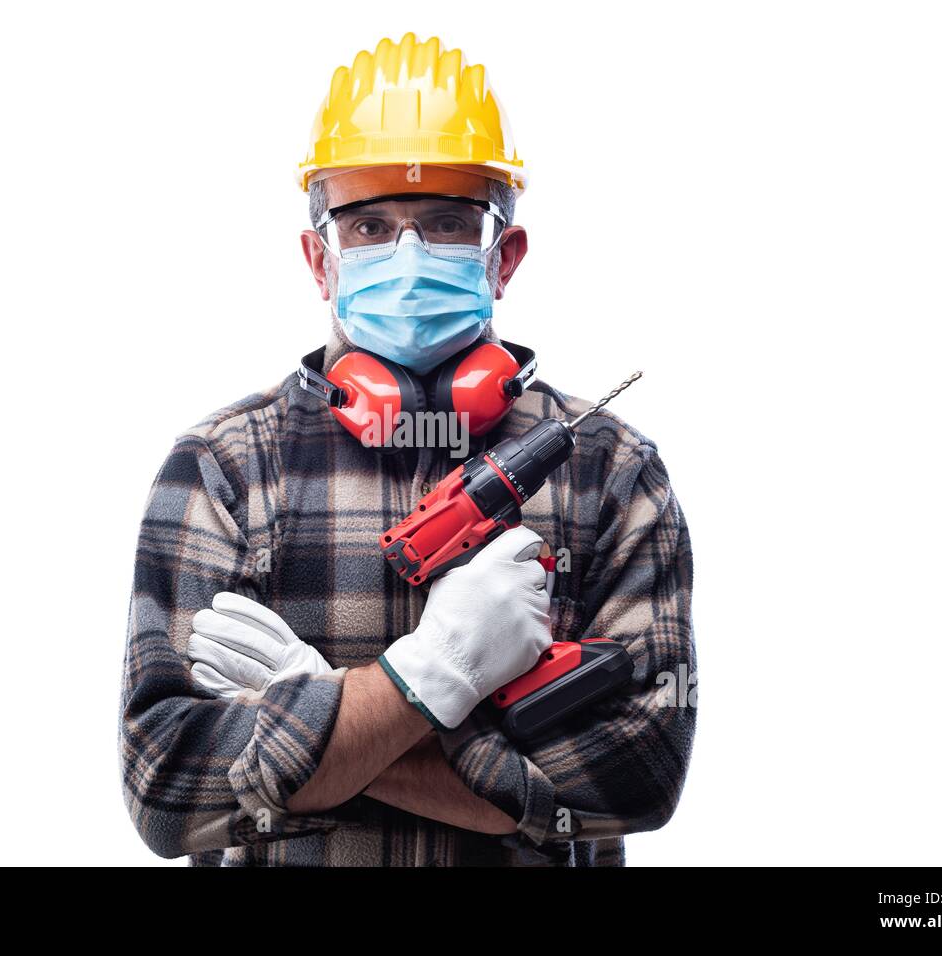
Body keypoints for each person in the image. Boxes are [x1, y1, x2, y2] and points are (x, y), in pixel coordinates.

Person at [119, 32, 696, 866]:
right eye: (370, 226)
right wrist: (430, 676)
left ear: (506, 256)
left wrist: (312, 712)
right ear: (321, 259)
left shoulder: (610, 469)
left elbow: (637, 781)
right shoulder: (224, 468)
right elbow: (168, 794)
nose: (410, 256)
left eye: (450, 224)